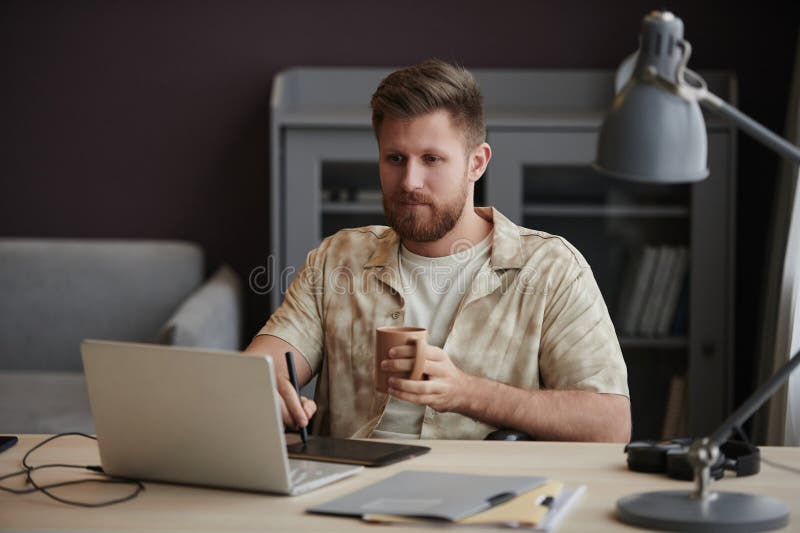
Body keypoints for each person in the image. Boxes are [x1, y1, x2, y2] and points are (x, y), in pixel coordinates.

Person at [246, 59, 631, 442]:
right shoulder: (338, 258)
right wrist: (269, 392)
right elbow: (259, 370)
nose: (410, 182)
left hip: (486, 493)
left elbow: (610, 425)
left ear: (476, 163)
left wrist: (466, 393)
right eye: (395, 159)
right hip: (349, 485)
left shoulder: (552, 268)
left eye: (431, 159)